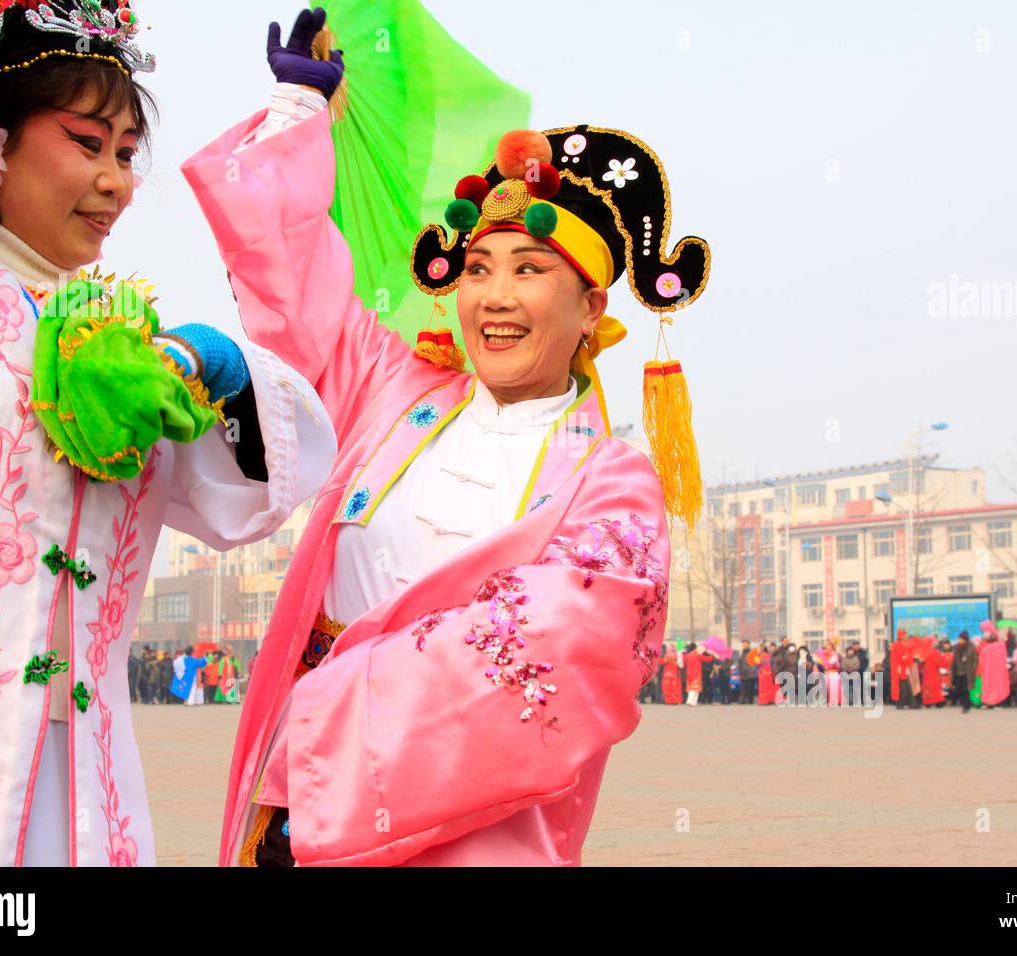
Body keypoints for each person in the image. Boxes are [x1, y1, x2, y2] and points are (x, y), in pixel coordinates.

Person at [186, 8, 709, 867]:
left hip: (465, 836)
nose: (494, 298)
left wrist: (327, 720)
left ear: (592, 311)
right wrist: (296, 112)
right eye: (477, 269)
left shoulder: (612, 485)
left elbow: (545, 661)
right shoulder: (391, 392)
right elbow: (290, 281)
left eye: (530, 271)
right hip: (295, 818)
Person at [0, 0, 335, 868]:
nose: (118, 182)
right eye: (87, 143)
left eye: (127, 155)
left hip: (82, 793)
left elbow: (262, 484)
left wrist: (218, 367)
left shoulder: (122, 343)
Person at [977, 627, 1010, 708]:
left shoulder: (985, 648)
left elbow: (981, 660)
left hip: (987, 671)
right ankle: (998, 701)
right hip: (999, 670)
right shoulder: (1001, 646)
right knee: (998, 686)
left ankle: (988, 702)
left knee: (988, 686)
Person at [950, 631, 978, 713]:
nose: (960, 640)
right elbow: (954, 660)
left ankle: (966, 706)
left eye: (961, 639)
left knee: (965, 689)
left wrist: (973, 669)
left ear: (965, 639)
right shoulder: (957, 647)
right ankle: (968, 703)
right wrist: (953, 670)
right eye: (959, 638)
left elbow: (975, 660)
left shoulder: (971, 647)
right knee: (958, 689)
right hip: (958, 671)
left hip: (967, 672)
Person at [683, 643, 705, 707]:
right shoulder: (698, 655)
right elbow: (707, 659)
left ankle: (693, 702)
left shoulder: (686, 655)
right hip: (696, 674)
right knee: (695, 689)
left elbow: (684, 663)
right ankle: (690, 701)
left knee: (691, 688)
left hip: (689, 674)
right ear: (695, 648)